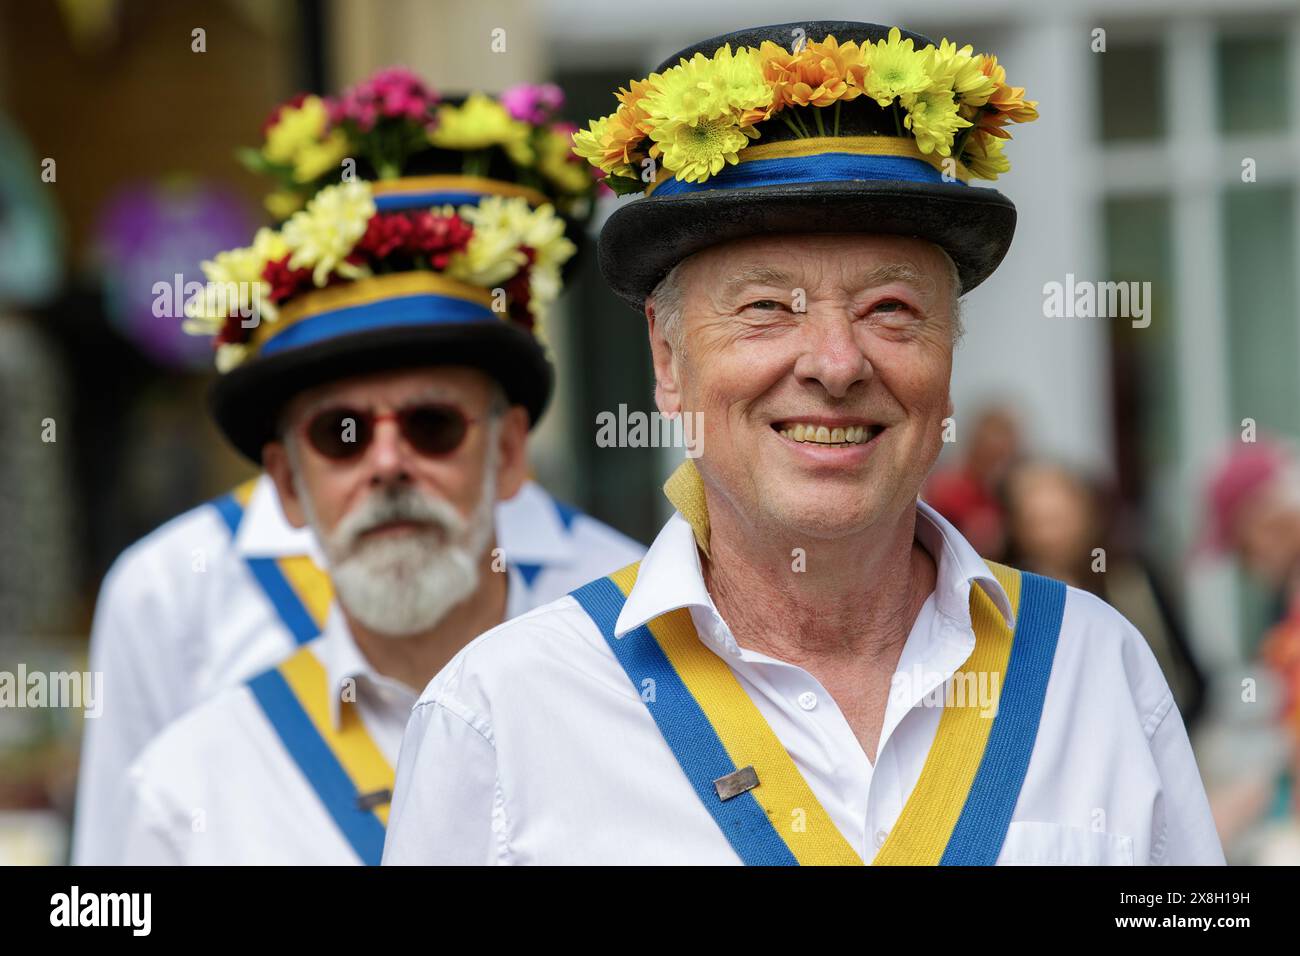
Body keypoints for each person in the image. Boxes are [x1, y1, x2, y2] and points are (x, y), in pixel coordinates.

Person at [383, 21, 1224, 865]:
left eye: (890, 309)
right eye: (764, 309)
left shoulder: (1098, 668)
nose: (835, 363)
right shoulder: (502, 716)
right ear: (667, 361)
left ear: (948, 357)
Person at [77, 71, 644, 864]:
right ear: (286, 484)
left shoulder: (639, 651)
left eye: (433, 424)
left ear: (509, 450)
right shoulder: (186, 784)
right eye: (340, 434)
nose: (387, 462)